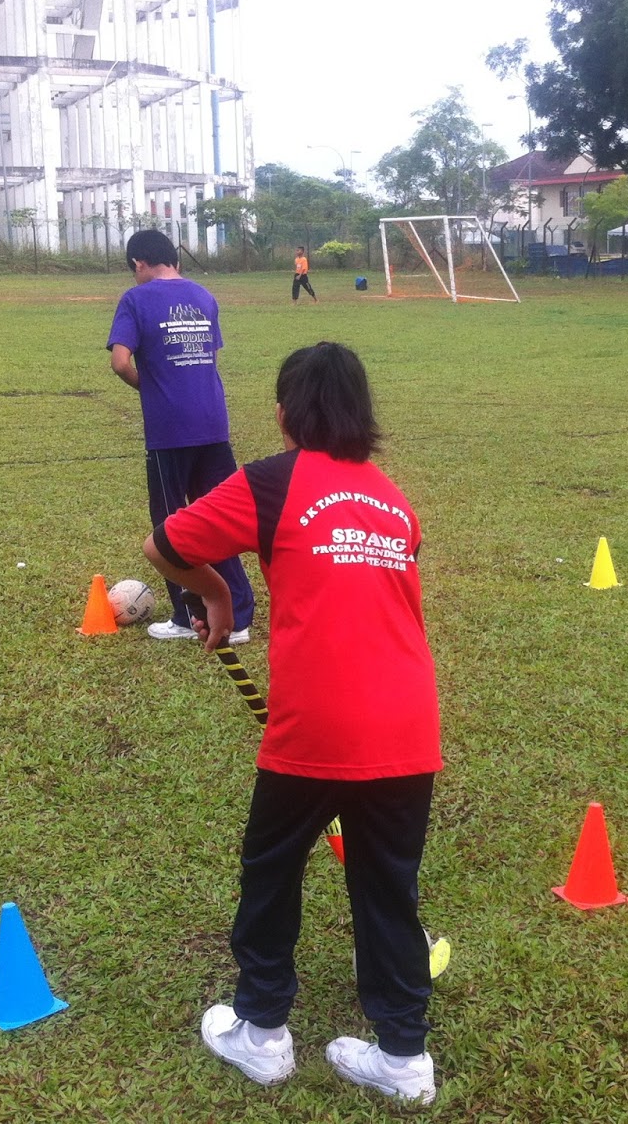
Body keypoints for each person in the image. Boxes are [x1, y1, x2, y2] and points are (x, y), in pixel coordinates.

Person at [142, 341, 442, 1106]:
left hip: (318, 728)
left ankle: (264, 1033)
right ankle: (405, 1057)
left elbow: (164, 545)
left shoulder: (273, 482)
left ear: (282, 413)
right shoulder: (394, 498)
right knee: (388, 889)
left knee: (270, 873)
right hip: (409, 724)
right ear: (363, 417)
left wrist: (214, 597)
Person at [107, 229, 255, 642]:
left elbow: (120, 363)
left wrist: (150, 387)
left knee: (172, 525)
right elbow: (206, 358)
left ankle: (188, 618)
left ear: (139, 263)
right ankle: (239, 616)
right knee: (220, 520)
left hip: (170, 430)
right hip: (213, 423)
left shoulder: (135, 299)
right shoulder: (205, 296)